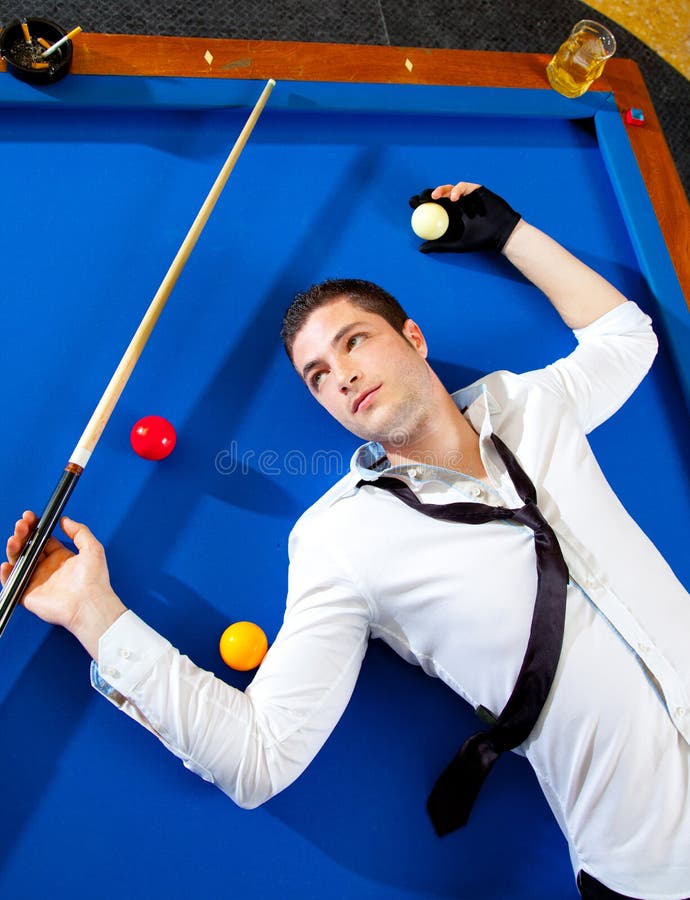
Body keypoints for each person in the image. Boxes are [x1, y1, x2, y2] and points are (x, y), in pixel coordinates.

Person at [3, 181, 689, 900]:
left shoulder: (530, 404)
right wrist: (91, 612)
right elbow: (258, 758)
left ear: (414, 339)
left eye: (355, 341)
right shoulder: (341, 539)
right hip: (652, 873)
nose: (344, 376)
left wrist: (510, 231)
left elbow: (625, 336)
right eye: (319, 376)